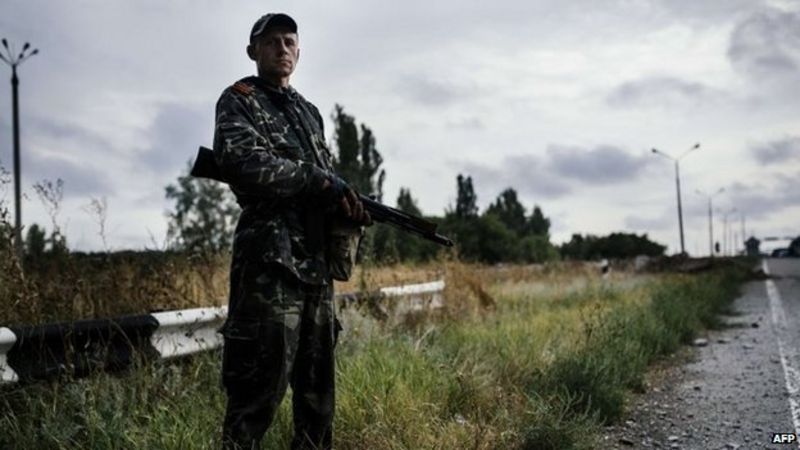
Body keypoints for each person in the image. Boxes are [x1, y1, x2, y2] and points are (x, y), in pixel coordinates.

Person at [212, 13, 370, 449]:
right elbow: (242, 163)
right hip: (269, 266)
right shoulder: (239, 100)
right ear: (253, 51)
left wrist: (346, 207)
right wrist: (317, 181)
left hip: (315, 269)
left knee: (317, 398)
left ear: (299, 52)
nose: (282, 48)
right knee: (255, 397)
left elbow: (326, 185)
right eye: (271, 41)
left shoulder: (309, 113)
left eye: (289, 41)